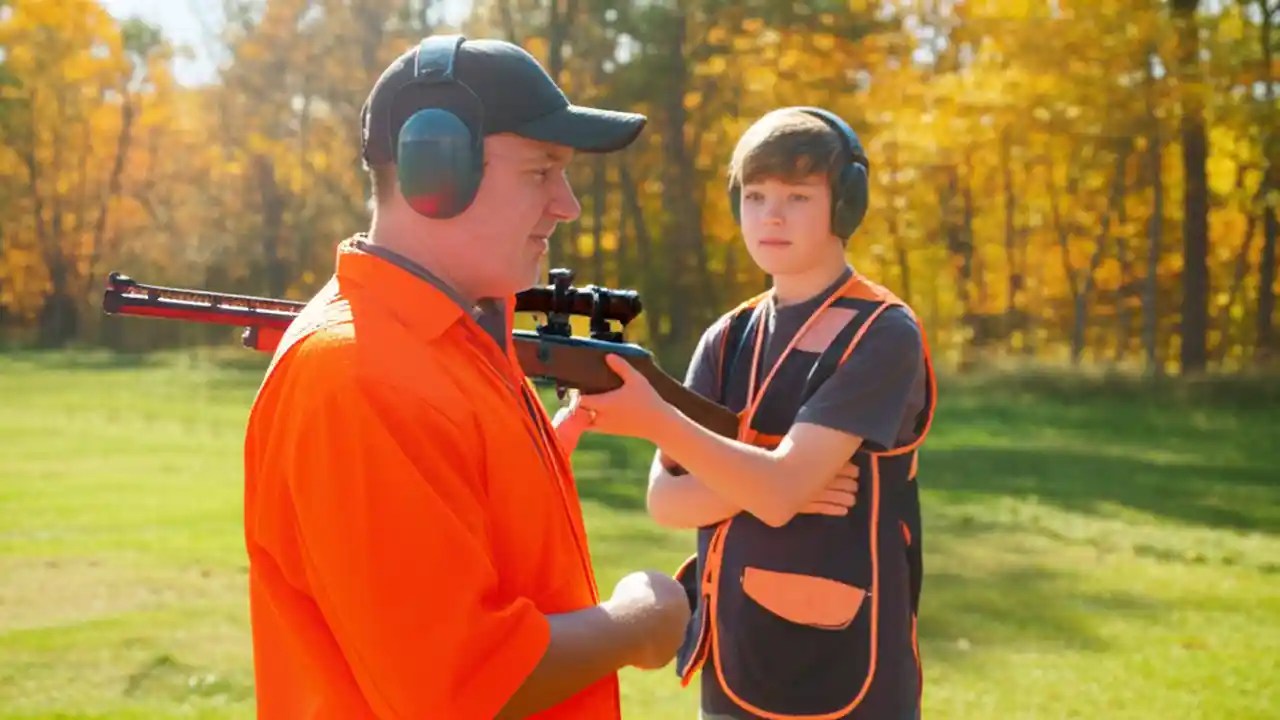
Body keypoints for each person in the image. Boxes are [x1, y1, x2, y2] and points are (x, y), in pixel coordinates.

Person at [241, 35, 691, 720]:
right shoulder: (360, 376)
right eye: (541, 172)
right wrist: (637, 621)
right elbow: (463, 685)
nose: (565, 204)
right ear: (435, 174)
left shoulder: (457, 339)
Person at [572, 107, 938, 719]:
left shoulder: (882, 331)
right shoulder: (729, 336)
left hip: (849, 666)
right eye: (757, 194)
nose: (771, 214)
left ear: (845, 206)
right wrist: (772, 481)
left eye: (798, 195)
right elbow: (668, 501)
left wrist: (660, 421)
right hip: (736, 654)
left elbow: (778, 491)